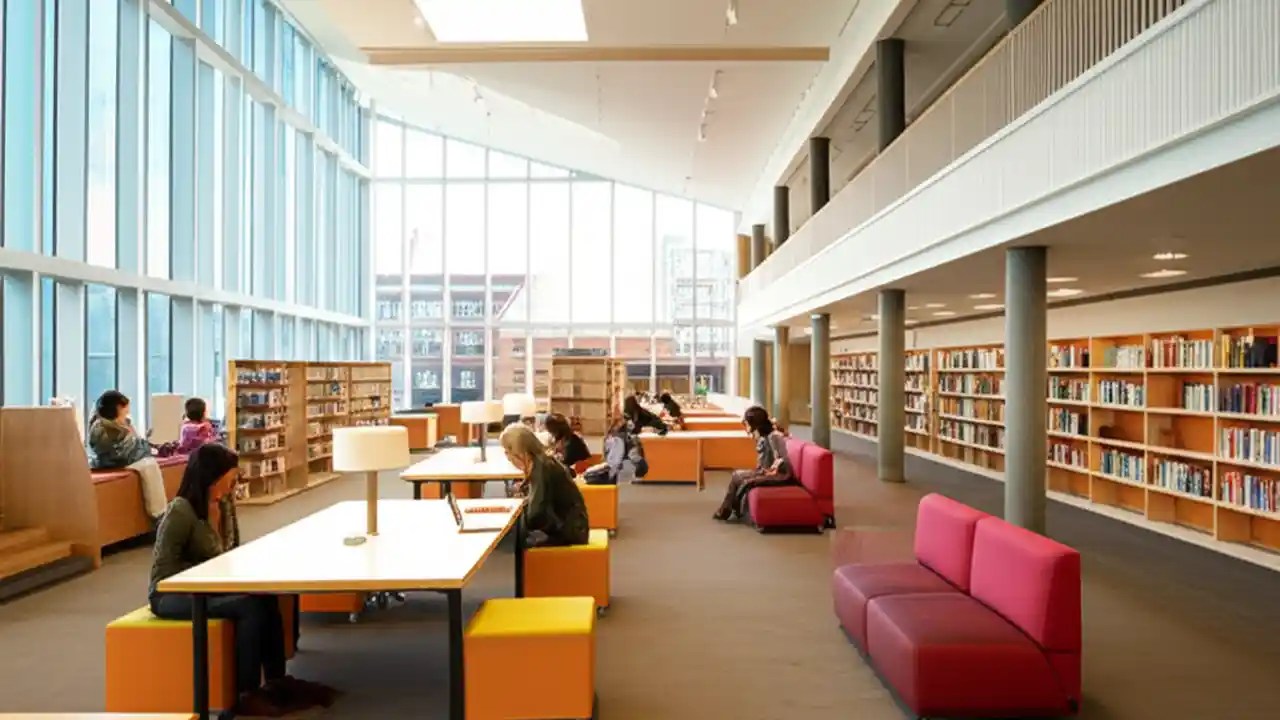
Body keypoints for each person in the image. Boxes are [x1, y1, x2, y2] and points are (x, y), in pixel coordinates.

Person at [148, 444, 334, 717]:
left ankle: (275, 681)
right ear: (213, 475)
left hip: (214, 585)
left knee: (266, 598)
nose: (235, 482)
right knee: (248, 607)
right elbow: (163, 570)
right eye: (231, 477)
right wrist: (205, 573)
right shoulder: (181, 511)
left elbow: (232, 550)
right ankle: (246, 693)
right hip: (171, 594)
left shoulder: (225, 503)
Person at [500, 424, 590, 547]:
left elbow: (536, 513)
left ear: (519, 451)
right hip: (570, 526)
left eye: (508, 452)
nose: (508, 458)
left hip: (571, 531)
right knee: (514, 535)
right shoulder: (542, 462)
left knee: (511, 541)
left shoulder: (542, 467)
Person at [88, 390, 168, 518]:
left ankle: (160, 512)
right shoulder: (105, 429)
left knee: (149, 463)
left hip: (112, 459)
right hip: (113, 461)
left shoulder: (106, 425)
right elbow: (122, 453)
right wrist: (141, 443)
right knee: (149, 465)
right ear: (118, 408)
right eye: (125, 411)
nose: (126, 415)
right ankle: (159, 512)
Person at [712, 406, 795, 522]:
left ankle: (728, 509)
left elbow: (781, 459)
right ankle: (729, 508)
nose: (747, 428)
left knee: (741, 478)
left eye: (747, 424)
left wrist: (770, 470)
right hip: (768, 470)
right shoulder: (765, 436)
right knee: (737, 475)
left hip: (779, 475)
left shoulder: (774, 437)